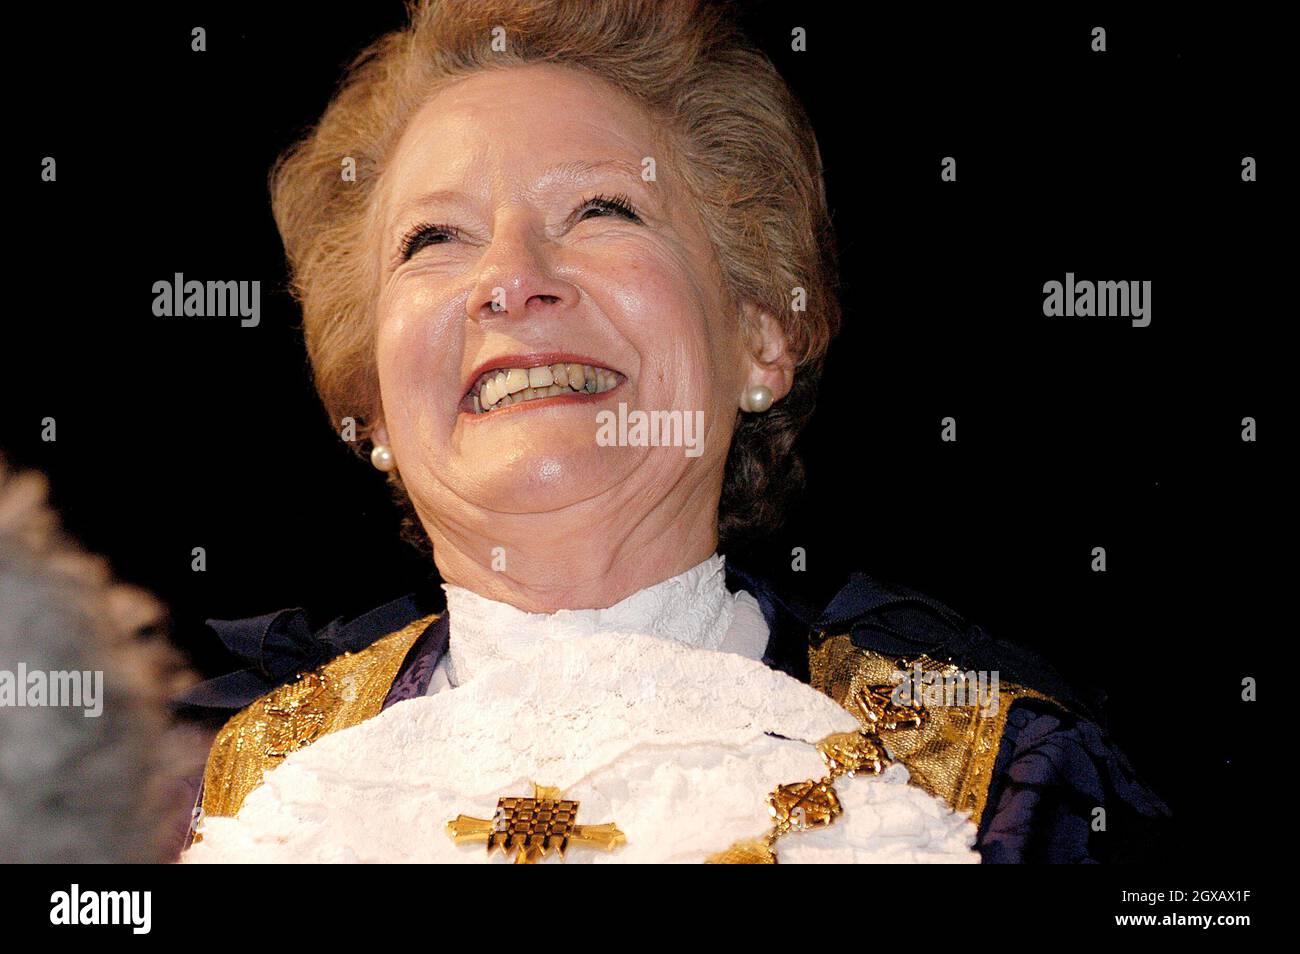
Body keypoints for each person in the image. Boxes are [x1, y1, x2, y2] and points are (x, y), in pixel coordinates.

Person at [176, 0, 1169, 863]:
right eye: (435, 238)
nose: (510, 280)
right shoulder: (203, 797)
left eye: (602, 210)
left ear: (757, 338)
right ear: (373, 400)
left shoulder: (1000, 785)